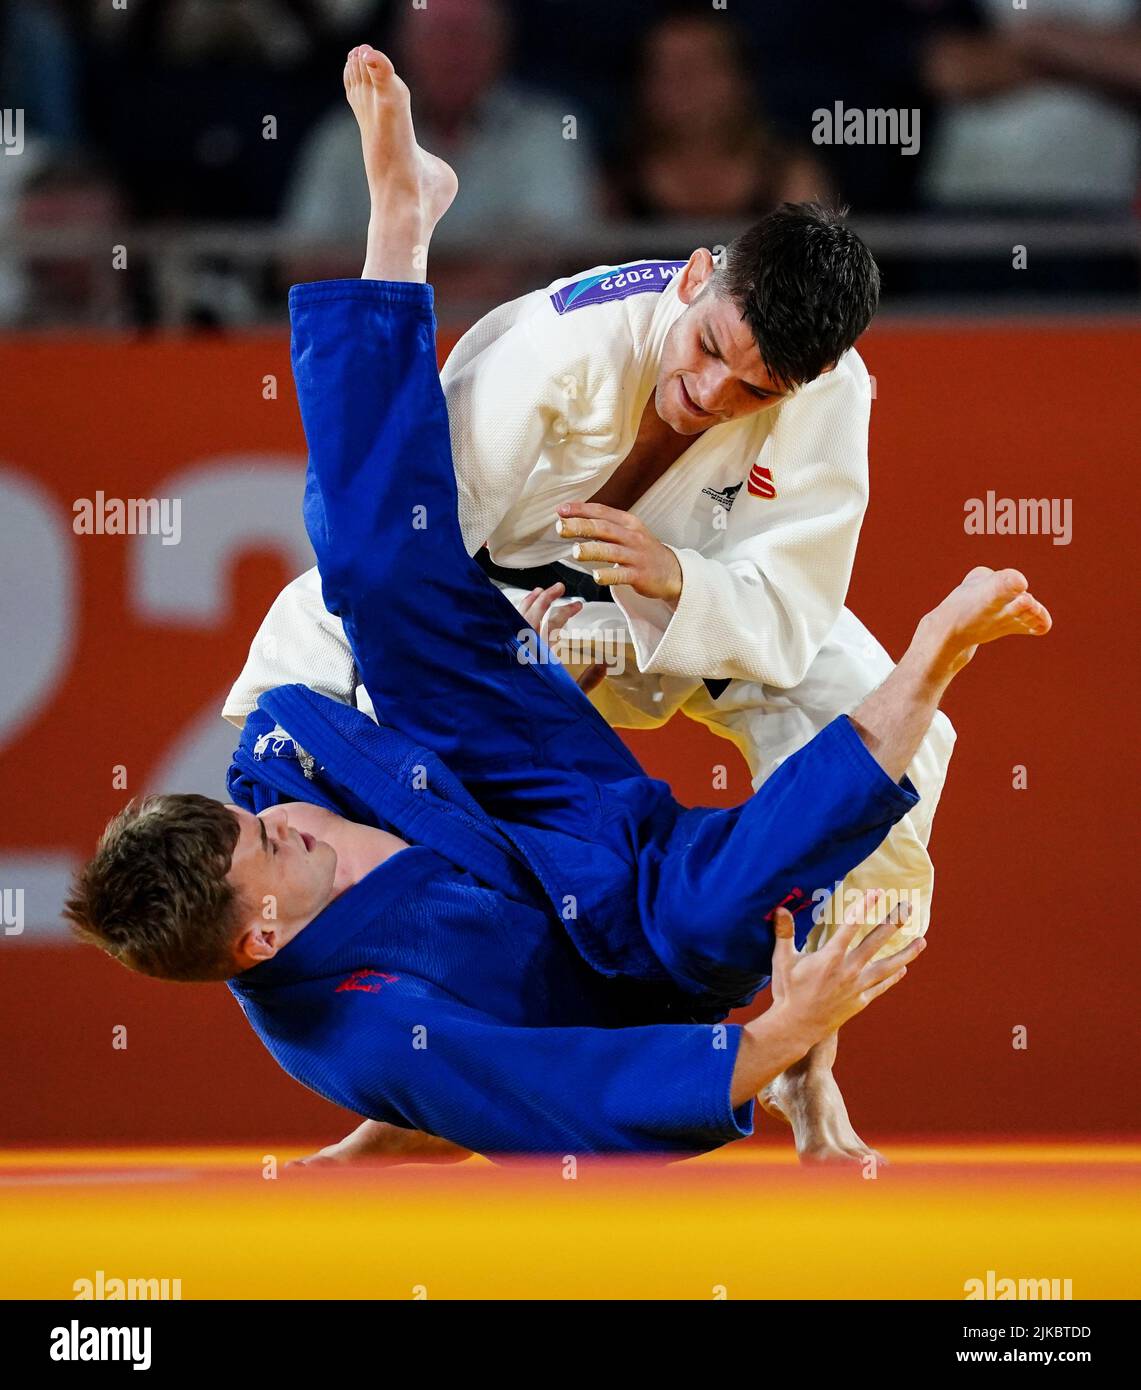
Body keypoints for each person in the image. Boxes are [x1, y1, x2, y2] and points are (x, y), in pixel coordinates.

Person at [65, 49, 1052, 1163]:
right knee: (377, 571)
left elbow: (789, 603)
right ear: (693, 277)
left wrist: (675, 582)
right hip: (513, 626)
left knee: (894, 742)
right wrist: (517, 643)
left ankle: (811, 1073)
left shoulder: (834, 391)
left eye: (756, 391)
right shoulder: (547, 352)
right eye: (711, 350)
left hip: (701, 609)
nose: (712, 393)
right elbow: (426, 539)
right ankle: (406, 219)